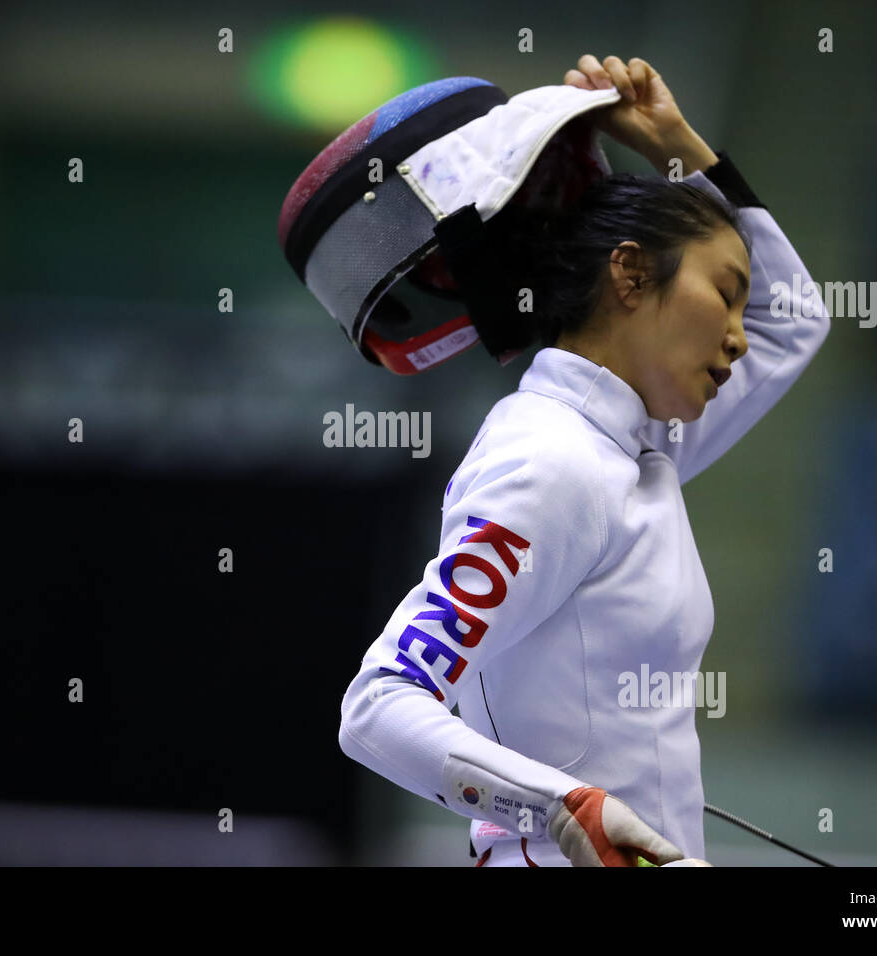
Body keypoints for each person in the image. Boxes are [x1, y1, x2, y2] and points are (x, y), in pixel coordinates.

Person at [337, 54, 831, 866]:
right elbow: (380, 707)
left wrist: (676, 146)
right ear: (631, 274)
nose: (742, 336)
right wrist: (564, 806)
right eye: (726, 293)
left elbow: (797, 320)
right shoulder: (549, 462)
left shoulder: (638, 446)